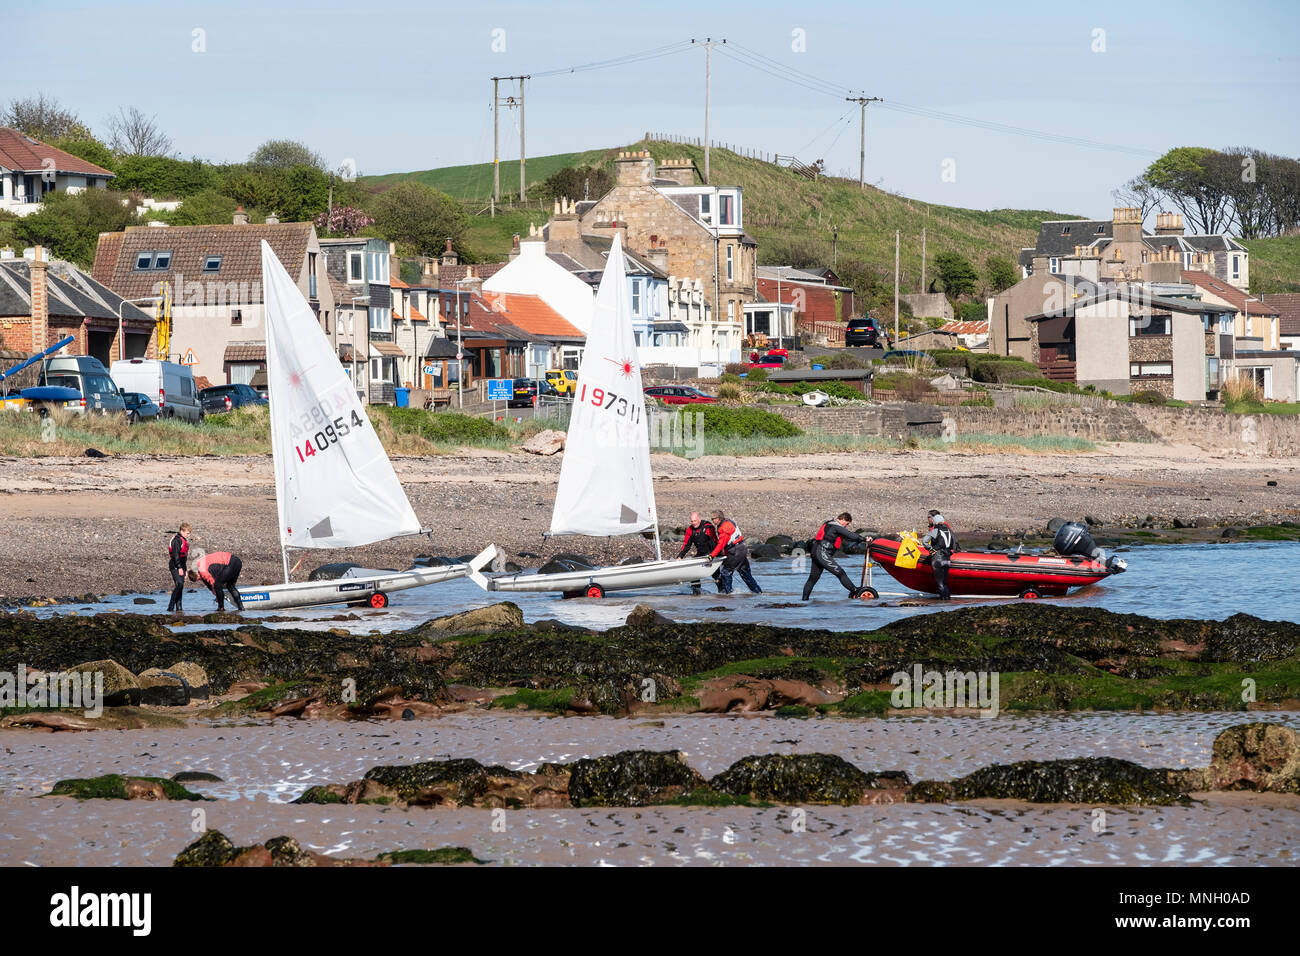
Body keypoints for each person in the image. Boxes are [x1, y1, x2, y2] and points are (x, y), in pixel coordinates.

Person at [802, 512, 868, 600]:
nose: (846, 526)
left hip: (816, 552)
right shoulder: (836, 526)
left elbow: (847, 537)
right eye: (847, 524)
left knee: (813, 578)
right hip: (822, 552)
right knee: (840, 572)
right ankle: (855, 590)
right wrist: (865, 539)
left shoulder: (829, 524)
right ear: (843, 519)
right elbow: (850, 535)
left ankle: (804, 601)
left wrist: (859, 540)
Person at [709, 510, 762, 594]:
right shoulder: (728, 521)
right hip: (741, 548)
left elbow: (721, 544)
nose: (712, 521)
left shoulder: (724, 528)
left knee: (725, 573)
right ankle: (758, 592)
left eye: (713, 519)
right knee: (745, 573)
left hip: (735, 551)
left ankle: (728, 595)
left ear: (718, 518)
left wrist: (712, 556)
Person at [677, 511, 719, 594]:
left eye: (695, 521)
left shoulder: (708, 527)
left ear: (699, 519)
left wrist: (713, 556)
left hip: (711, 553)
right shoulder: (690, 530)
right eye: (691, 521)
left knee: (716, 575)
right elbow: (686, 545)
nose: (693, 523)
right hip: (700, 553)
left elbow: (715, 542)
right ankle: (696, 592)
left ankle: (723, 593)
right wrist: (680, 556)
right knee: (693, 573)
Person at [921, 510, 959, 600]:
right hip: (947, 558)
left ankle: (941, 603)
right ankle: (947, 601)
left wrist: (930, 549)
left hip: (938, 558)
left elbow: (924, 541)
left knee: (940, 583)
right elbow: (953, 543)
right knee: (945, 583)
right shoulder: (948, 531)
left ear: (935, 521)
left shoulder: (935, 530)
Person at [166, 522, 192, 613]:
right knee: (179, 584)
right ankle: (171, 606)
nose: (188, 535)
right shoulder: (177, 540)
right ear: (182, 531)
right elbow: (175, 555)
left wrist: (186, 570)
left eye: (189, 533)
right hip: (175, 566)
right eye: (187, 533)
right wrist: (179, 567)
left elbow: (184, 557)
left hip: (182, 566)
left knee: (180, 586)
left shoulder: (183, 540)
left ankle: (179, 608)